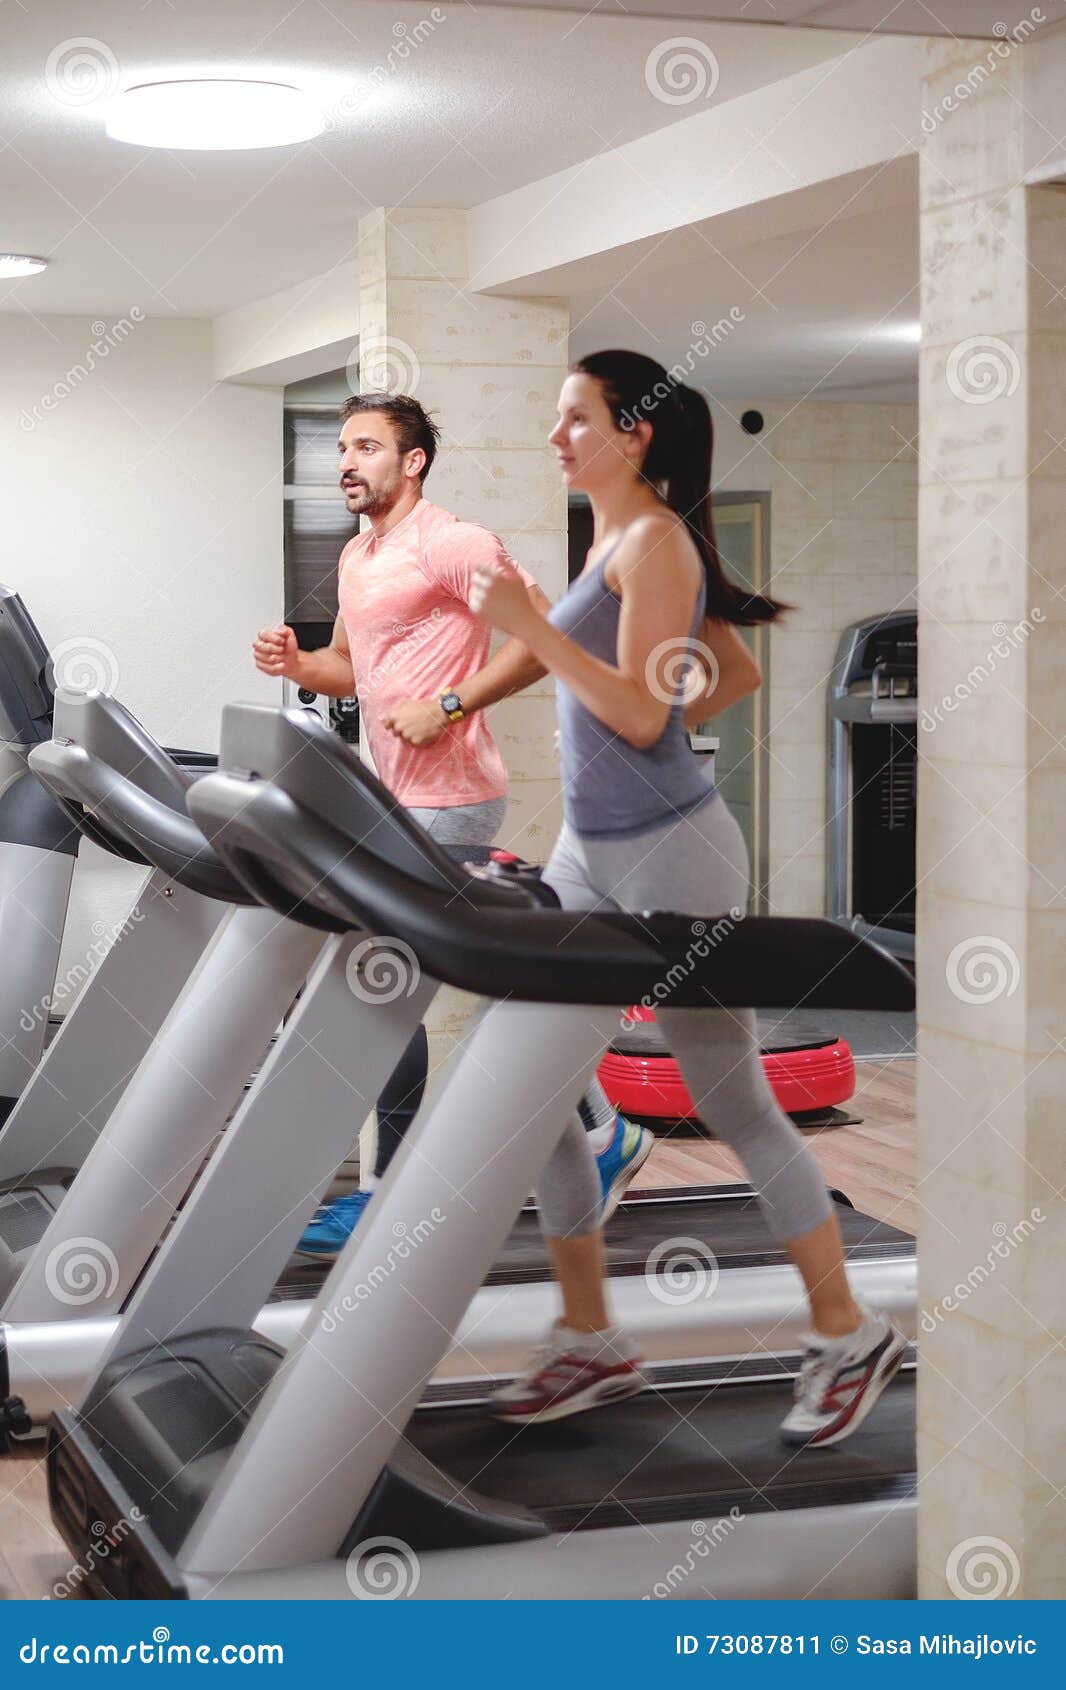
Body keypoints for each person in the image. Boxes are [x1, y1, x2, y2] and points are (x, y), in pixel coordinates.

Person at [470, 350, 906, 1446]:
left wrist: (532, 627)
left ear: (636, 433)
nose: (555, 437)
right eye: (556, 417)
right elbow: (721, 673)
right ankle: (588, 1333)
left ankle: (846, 1328)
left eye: (575, 418)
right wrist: (570, 635)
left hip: (672, 851)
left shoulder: (653, 540)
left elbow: (631, 718)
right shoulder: (620, 543)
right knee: (530, 1084)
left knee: (735, 1101)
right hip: (588, 848)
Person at [253, 392, 653, 1256]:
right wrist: (300, 665)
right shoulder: (361, 557)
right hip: (394, 798)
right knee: (413, 980)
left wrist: (451, 702)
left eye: (366, 447)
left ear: (414, 460)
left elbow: (545, 632)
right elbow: (352, 673)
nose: (347, 462)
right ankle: (600, 1122)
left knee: (379, 985)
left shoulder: (453, 542)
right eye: (344, 448)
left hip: (454, 797)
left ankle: (387, 1190)